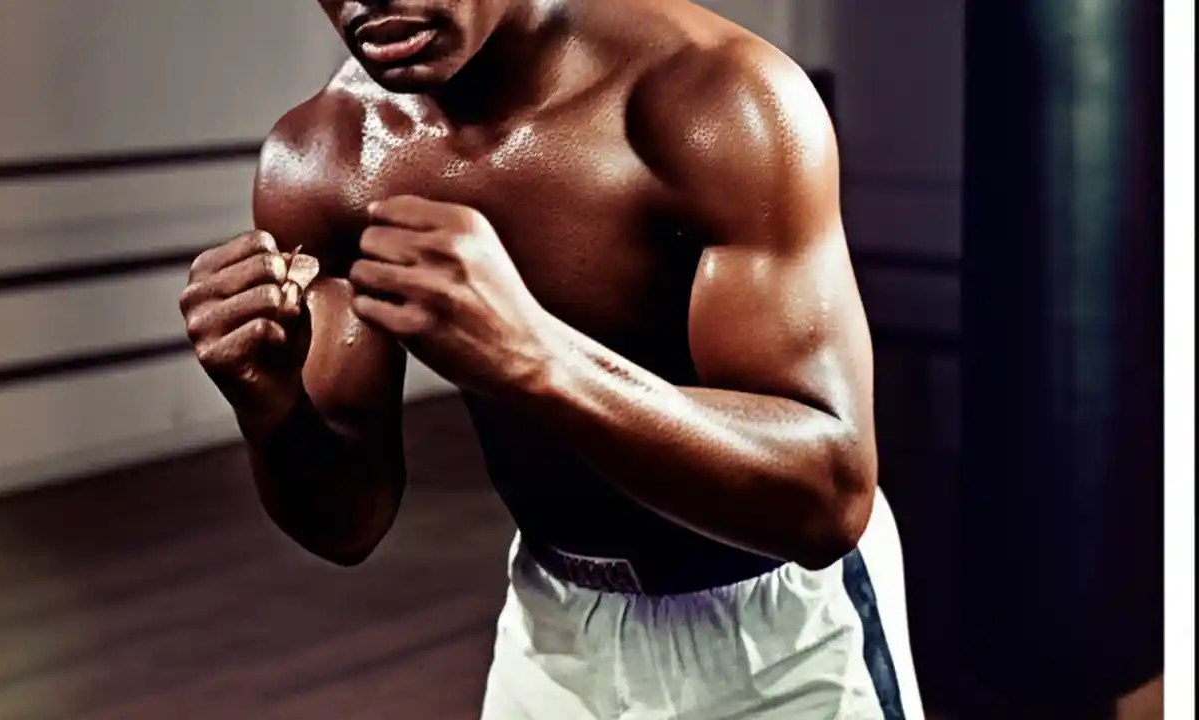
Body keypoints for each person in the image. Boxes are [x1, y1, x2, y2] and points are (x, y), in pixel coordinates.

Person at [178, 0, 924, 716]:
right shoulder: (325, 158)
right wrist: (270, 409)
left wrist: (536, 358)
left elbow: (827, 500)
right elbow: (347, 526)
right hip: (553, 629)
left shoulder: (716, 101)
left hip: (779, 631)